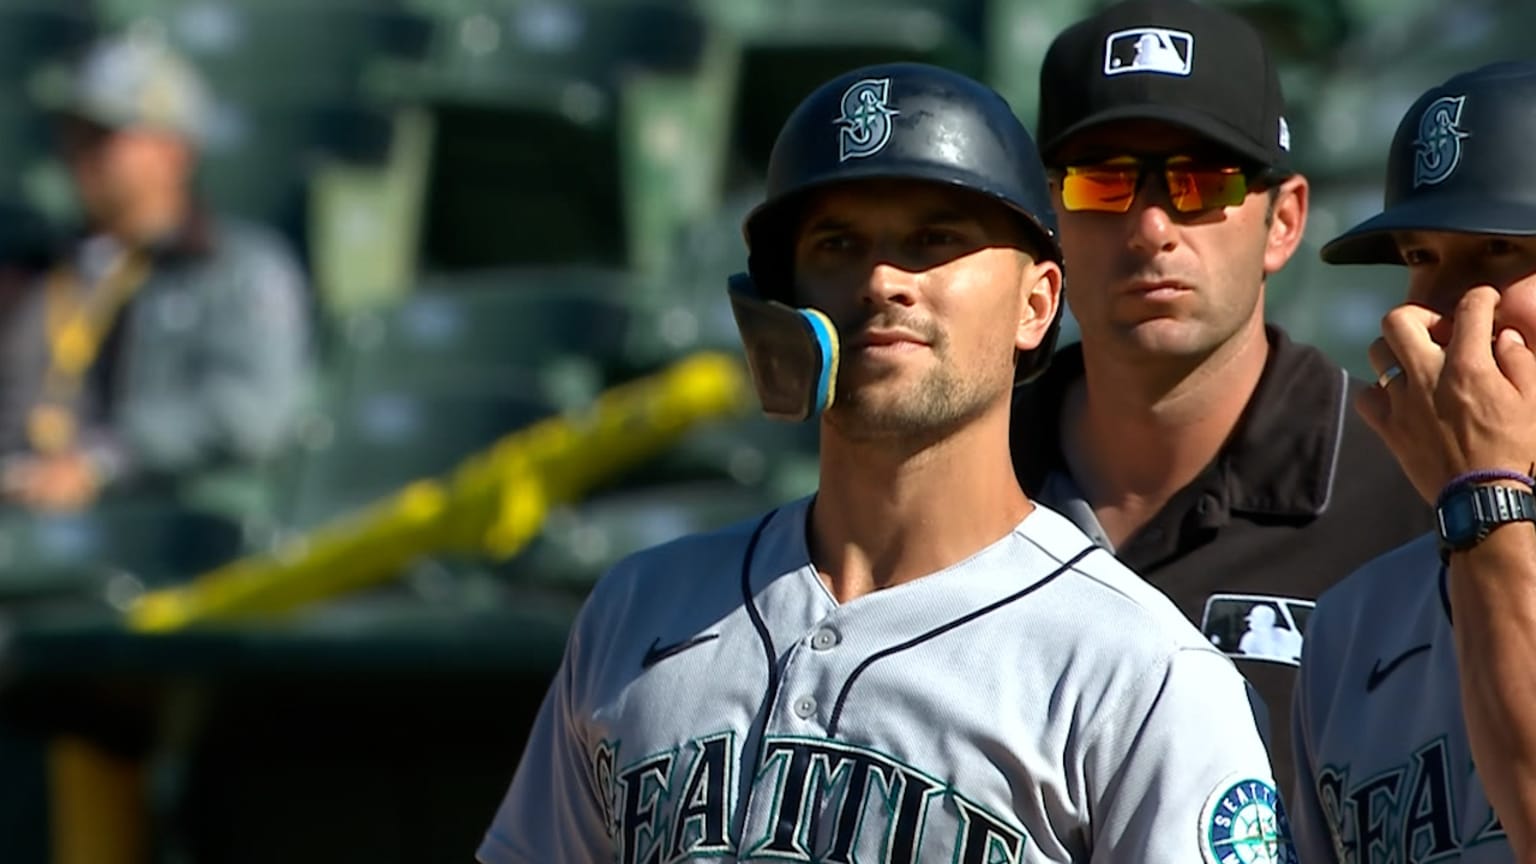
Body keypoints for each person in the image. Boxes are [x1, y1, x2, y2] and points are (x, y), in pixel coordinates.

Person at [479, 62, 1292, 863]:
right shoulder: (639, 607)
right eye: (838, 243)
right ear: (780, 301)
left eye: (935, 239)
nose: (881, 280)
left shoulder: (1136, 670)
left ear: (1037, 303)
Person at [1009, 0, 1431, 792]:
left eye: (1200, 182)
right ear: (1049, 221)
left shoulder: (1410, 495)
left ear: (1285, 220)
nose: (1152, 229)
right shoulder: (964, 491)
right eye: (1104, 183)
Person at [1290, 61, 1536, 863]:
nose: (1441, 312)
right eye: (1422, 255)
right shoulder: (1350, 625)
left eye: (1499, 249)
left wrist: (1484, 500)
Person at [0, 33, 311, 512]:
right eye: (74, 131)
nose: (81, 151)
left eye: (106, 135)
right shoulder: (32, 259)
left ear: (174, 152)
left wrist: (102, 460)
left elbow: (252, 413)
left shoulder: (237, 268)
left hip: (154, 530)